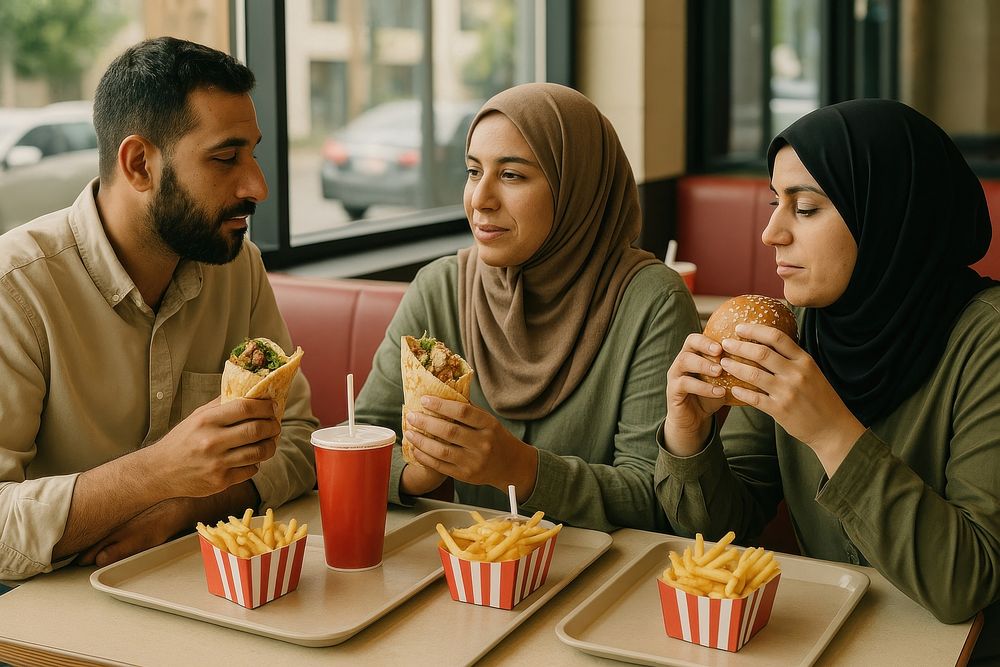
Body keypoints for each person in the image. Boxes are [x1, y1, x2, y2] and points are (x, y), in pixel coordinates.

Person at [655, 98, 1000, 658]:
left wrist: (831, 432)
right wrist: (689, 436)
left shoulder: (988, 340)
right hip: (824, 638)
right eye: (775, 204)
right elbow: (722, 534)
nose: (770, 233)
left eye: (806, 208)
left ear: (885, 213)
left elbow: (966, 586)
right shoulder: (796, 328)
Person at [0, 37, 317, 582]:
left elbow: (298, 438)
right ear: (139, 164)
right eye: (226, 158)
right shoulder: (17, 288)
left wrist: (186, 507)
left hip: (190, 578)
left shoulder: (237, 267)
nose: (257, 186)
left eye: (253, 153)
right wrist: (155, 474)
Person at [353, 83, 701, 532]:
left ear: (575, 185)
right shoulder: (440, 288)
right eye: (473, 171)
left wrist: (520, 468)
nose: (480, 199)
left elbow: (654, 498)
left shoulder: (653, 302)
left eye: (512, 175)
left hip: (602, 570)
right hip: (466, 565)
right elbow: (358, 436)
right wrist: (415, 472)